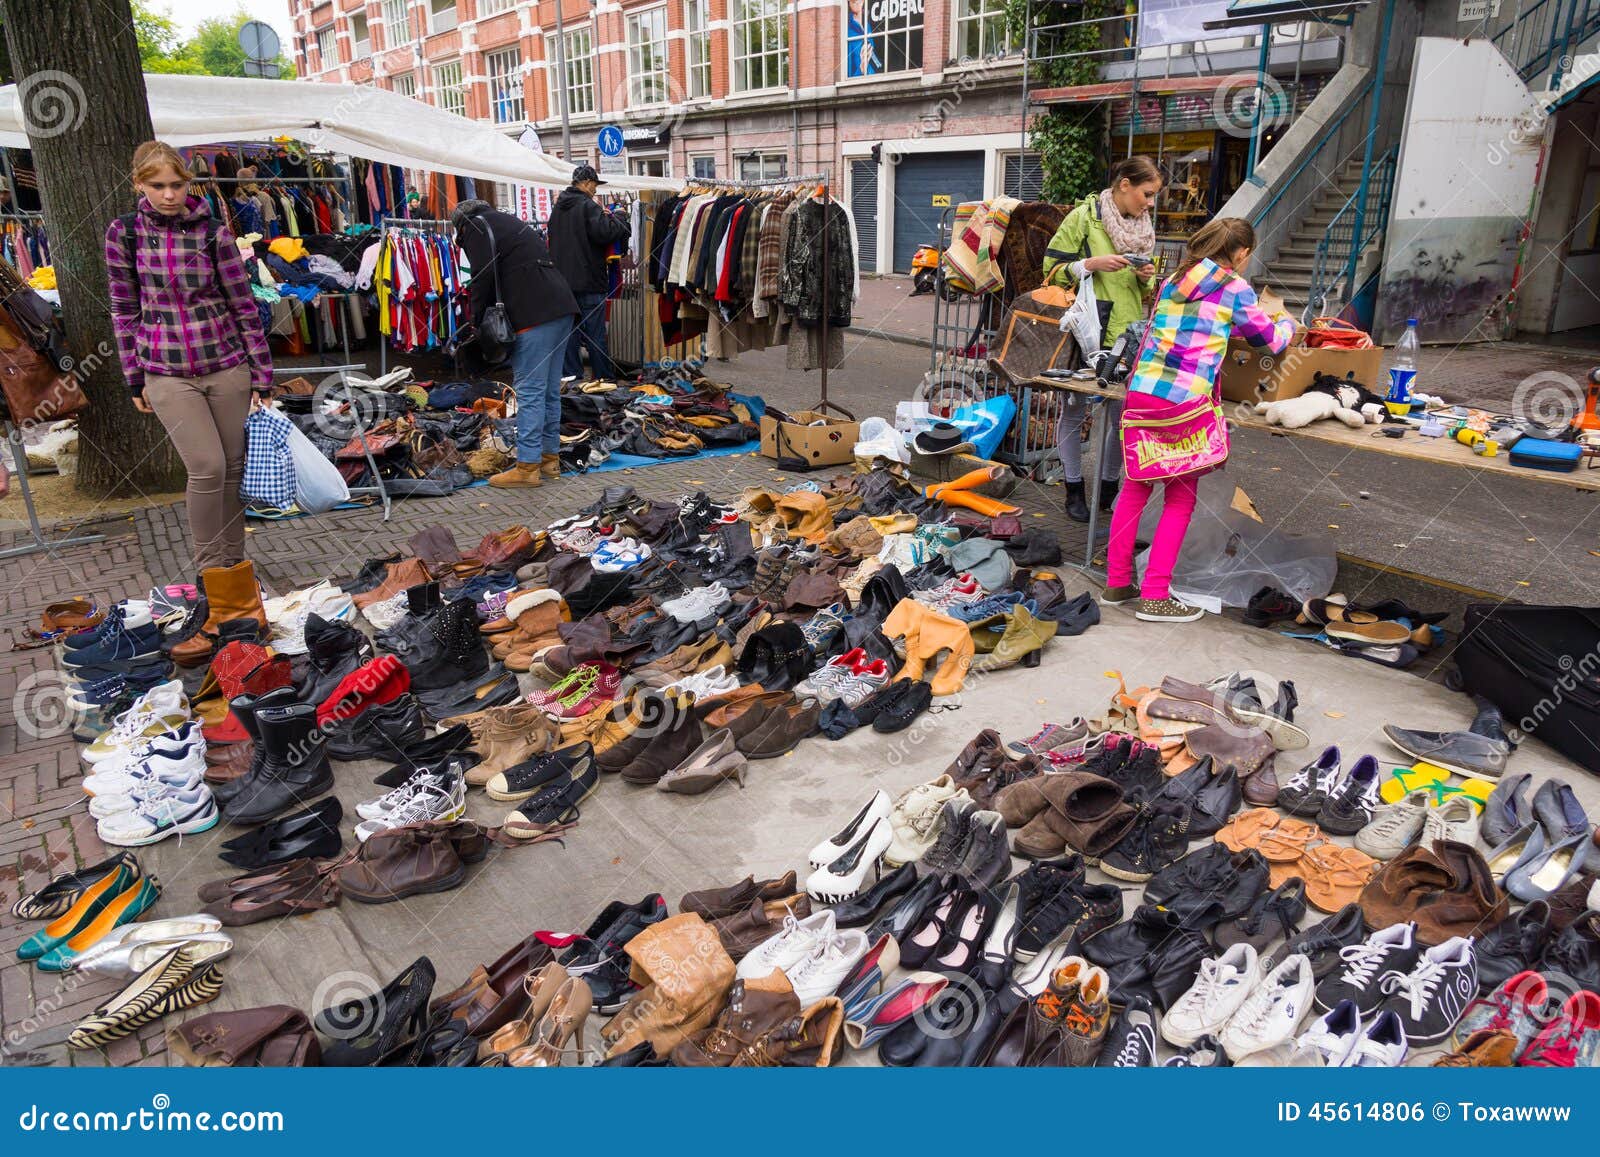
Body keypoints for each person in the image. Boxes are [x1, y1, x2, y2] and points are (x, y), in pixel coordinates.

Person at [1102, 217, 1295, 624]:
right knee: (1180, 497)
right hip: (1183, 403)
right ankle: (1155, 596)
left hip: (1142, 393)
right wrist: (1289, 323)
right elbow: (1270, 341)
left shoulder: (1174, 280)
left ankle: (1118, 583)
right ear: (1240, 253)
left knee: (1136, 487)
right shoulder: (1235, 288)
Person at [105, 140, 273, 572]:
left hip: (226, 366)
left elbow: (243, 305)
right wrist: (133, 377)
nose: (168, 194)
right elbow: (123, 309)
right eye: (157, 185)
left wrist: (262, 373)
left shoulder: (212, 232)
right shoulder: (123, 233)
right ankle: (208, 573)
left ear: (188, 183)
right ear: (138, 184)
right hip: (165, 371)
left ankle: (235, 569)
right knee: (207, 466)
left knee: (233, 469)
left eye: (176, 184)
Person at [1042, 156, 1163, 524]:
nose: (1151, 203)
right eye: (1148, 193)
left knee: (1119, 418)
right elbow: (1050, 271)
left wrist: (1146, 275)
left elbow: (1147, 287)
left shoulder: (1143, 228)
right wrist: (1090, 265)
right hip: (1086, 332)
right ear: (1124, 184)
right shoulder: (1083, 217)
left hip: (1128, 332)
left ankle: (1108, 491)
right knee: (1075, 412)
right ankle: (1074, 490)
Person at [451, 198, 578, 488]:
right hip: (560, 307)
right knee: (548, 391)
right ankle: (549, 460)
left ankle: (527, 467)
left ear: (460, 223)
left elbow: (482, 277)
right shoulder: (507, 222)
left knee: (531, 391)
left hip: (534, 313)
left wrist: (477, 320)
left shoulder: (476, 227)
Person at [547, 164, 630, 381]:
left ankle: (572, 381)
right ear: (585, 183)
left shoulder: (558, 208)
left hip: (563, 284)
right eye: (594, 185)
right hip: (589, 282)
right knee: (595, 336)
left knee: (570, 335)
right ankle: (604, 381)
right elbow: (606, 233)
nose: (595, 190)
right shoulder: (587, 205)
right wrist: (620, 216)